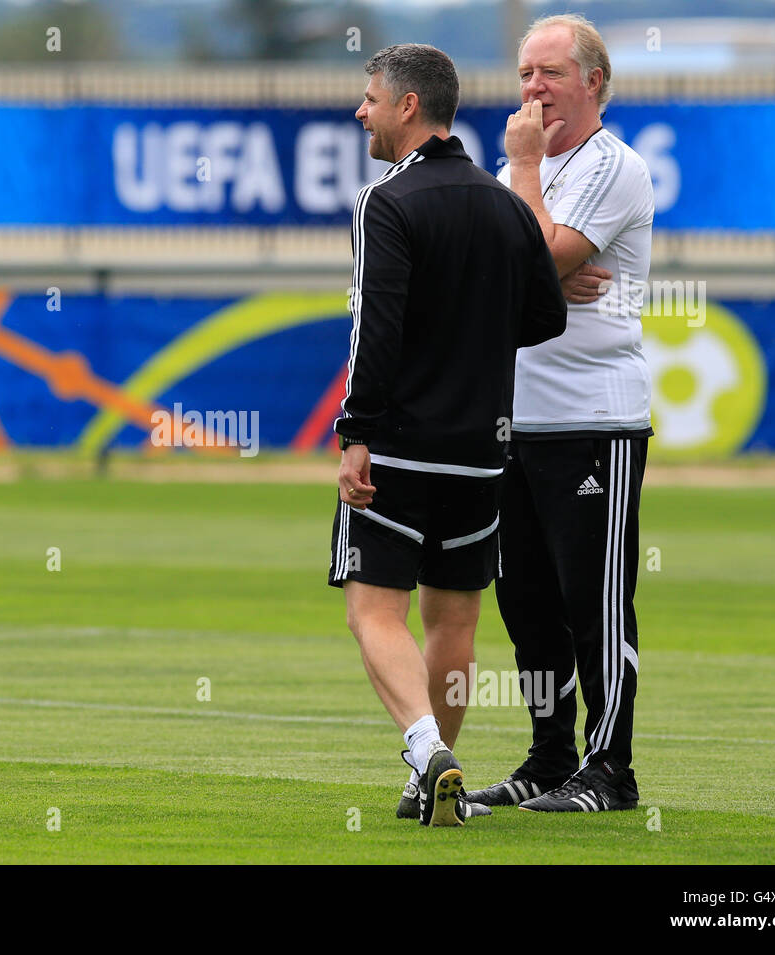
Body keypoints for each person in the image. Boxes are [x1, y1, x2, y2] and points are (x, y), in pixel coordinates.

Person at [329, 43, 566, 827]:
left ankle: (427, 750)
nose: (360, 110)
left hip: (396, 442)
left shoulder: (384, 202)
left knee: (374, 611)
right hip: (481, 451)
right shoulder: (502, 202)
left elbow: (376, 326)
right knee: (456, 618)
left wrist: (355, 431)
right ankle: (426, 787)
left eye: (369, 97)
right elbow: (547, 316)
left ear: (407, 107)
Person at [463, 14, 655, 813]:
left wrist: (526, 192)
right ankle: (549, 757)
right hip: (516, 419)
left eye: (550, 73)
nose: (533, 89)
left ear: (594, 83)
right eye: (524, 75)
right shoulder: (521, 179)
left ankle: (609, 769)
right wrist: (527, 270)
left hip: (592, 418)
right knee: (528, 607)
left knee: (593, 602)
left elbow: (538, 260)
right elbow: (480, 278)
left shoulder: (613, 167)